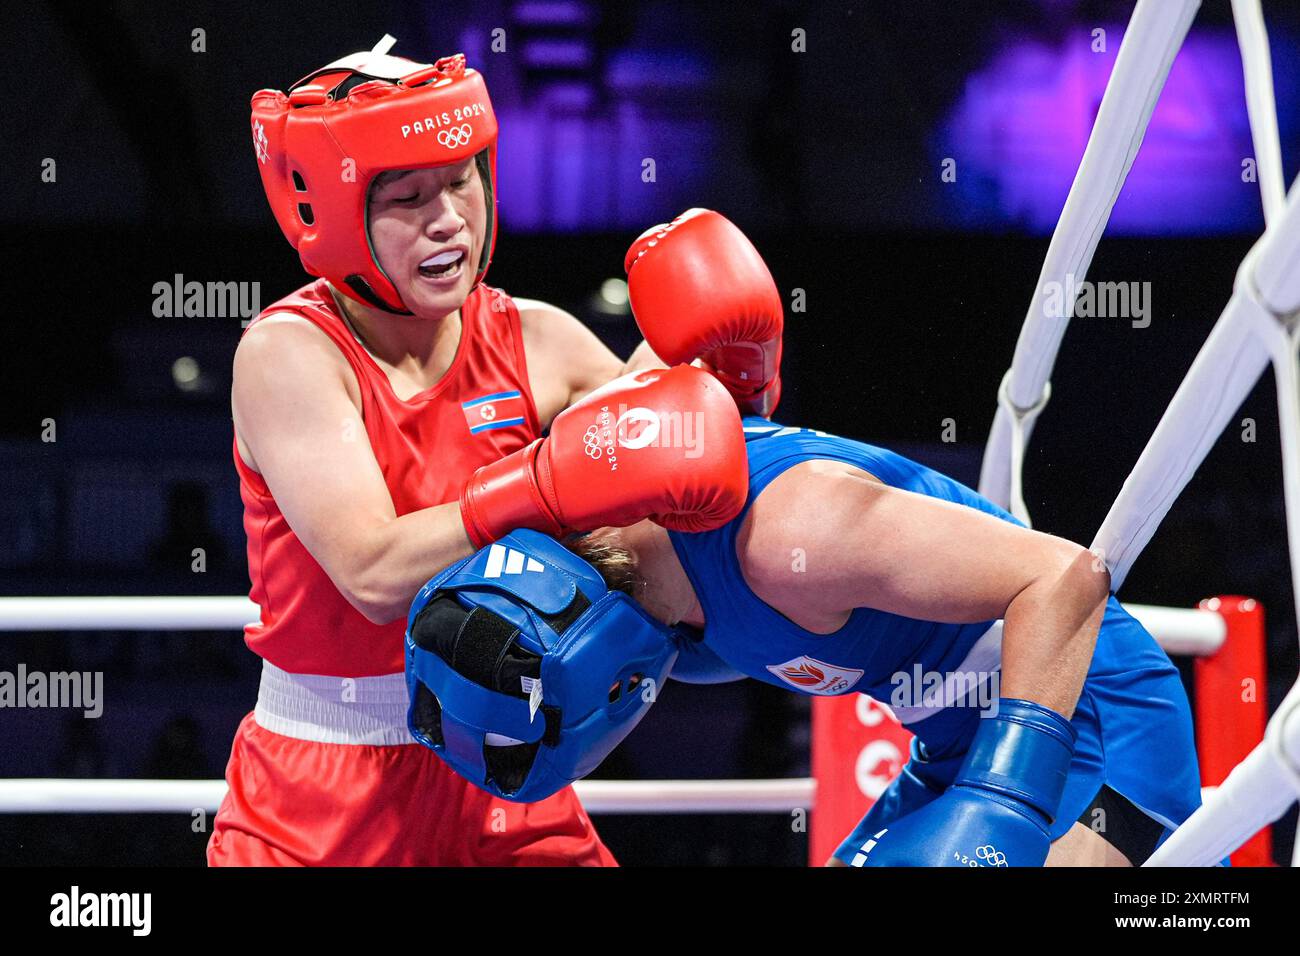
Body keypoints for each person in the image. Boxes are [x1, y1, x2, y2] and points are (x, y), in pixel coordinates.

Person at [404, 212, 1202, 865]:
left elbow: (1066, 577)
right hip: (950, 747)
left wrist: (1005, 800)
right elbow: (669, 375)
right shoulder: (631, 549)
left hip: (1089, 723)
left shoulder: (792, 533)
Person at [212, 36, 775, 866]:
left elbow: (669, 479)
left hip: (510, 769)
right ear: (332, 213)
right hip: (325, 796)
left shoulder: (534, 339)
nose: (449, 218)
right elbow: (371, 573)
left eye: (460, 179)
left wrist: (733, 378)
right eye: (408, 196)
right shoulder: (291, 355)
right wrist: (543, 483)